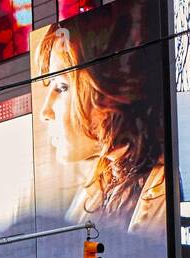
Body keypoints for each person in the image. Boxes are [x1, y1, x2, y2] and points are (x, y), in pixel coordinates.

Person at [34, 11, 166, 239]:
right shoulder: (100, 187)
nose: (45, 112)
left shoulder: (166, 191)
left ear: (111, 89)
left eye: (62, 87)